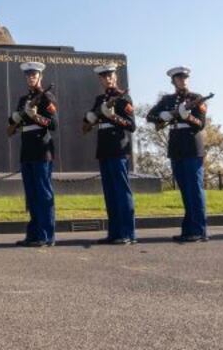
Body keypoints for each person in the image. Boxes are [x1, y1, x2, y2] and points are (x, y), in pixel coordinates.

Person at [146, 66, 208, 242]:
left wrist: (187, 117)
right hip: (176, 147)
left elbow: (201, 124)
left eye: (185, 78)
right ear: (173, 81)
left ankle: (198, 230)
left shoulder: (196, 98)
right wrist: (163, 116)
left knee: (195, 190)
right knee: (185, 191)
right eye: (179, 78)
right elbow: (150, 116)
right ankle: (188, 229)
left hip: (192, 147)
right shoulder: (167, 99)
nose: (183, 81)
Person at [82, 63, 136, 244]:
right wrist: (91, 117)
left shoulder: (124, 97)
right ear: (100, 79)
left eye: (110, 75)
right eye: (104, 76)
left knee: (122, 192)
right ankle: (114, 233)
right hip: (104, 149)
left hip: (118, 148)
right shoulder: (99, 99)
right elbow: (86, 125)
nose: (107, 79)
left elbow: (131, 126)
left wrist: (113, 117)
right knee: (110, 194)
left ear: (115, 77)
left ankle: (127, 233)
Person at [7, 61, 58, 247]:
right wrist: (18, 117)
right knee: (31, 195)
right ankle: (34, 234)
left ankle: (46, 235)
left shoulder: (47, 97)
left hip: (42, 150)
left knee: (44, 194)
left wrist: (35, 116)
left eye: (34, 75)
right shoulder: (23, 100)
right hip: (27, 151)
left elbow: (54, 124)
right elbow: (13, 123)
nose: (31, 78)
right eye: (28, 75)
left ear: (40, 77)